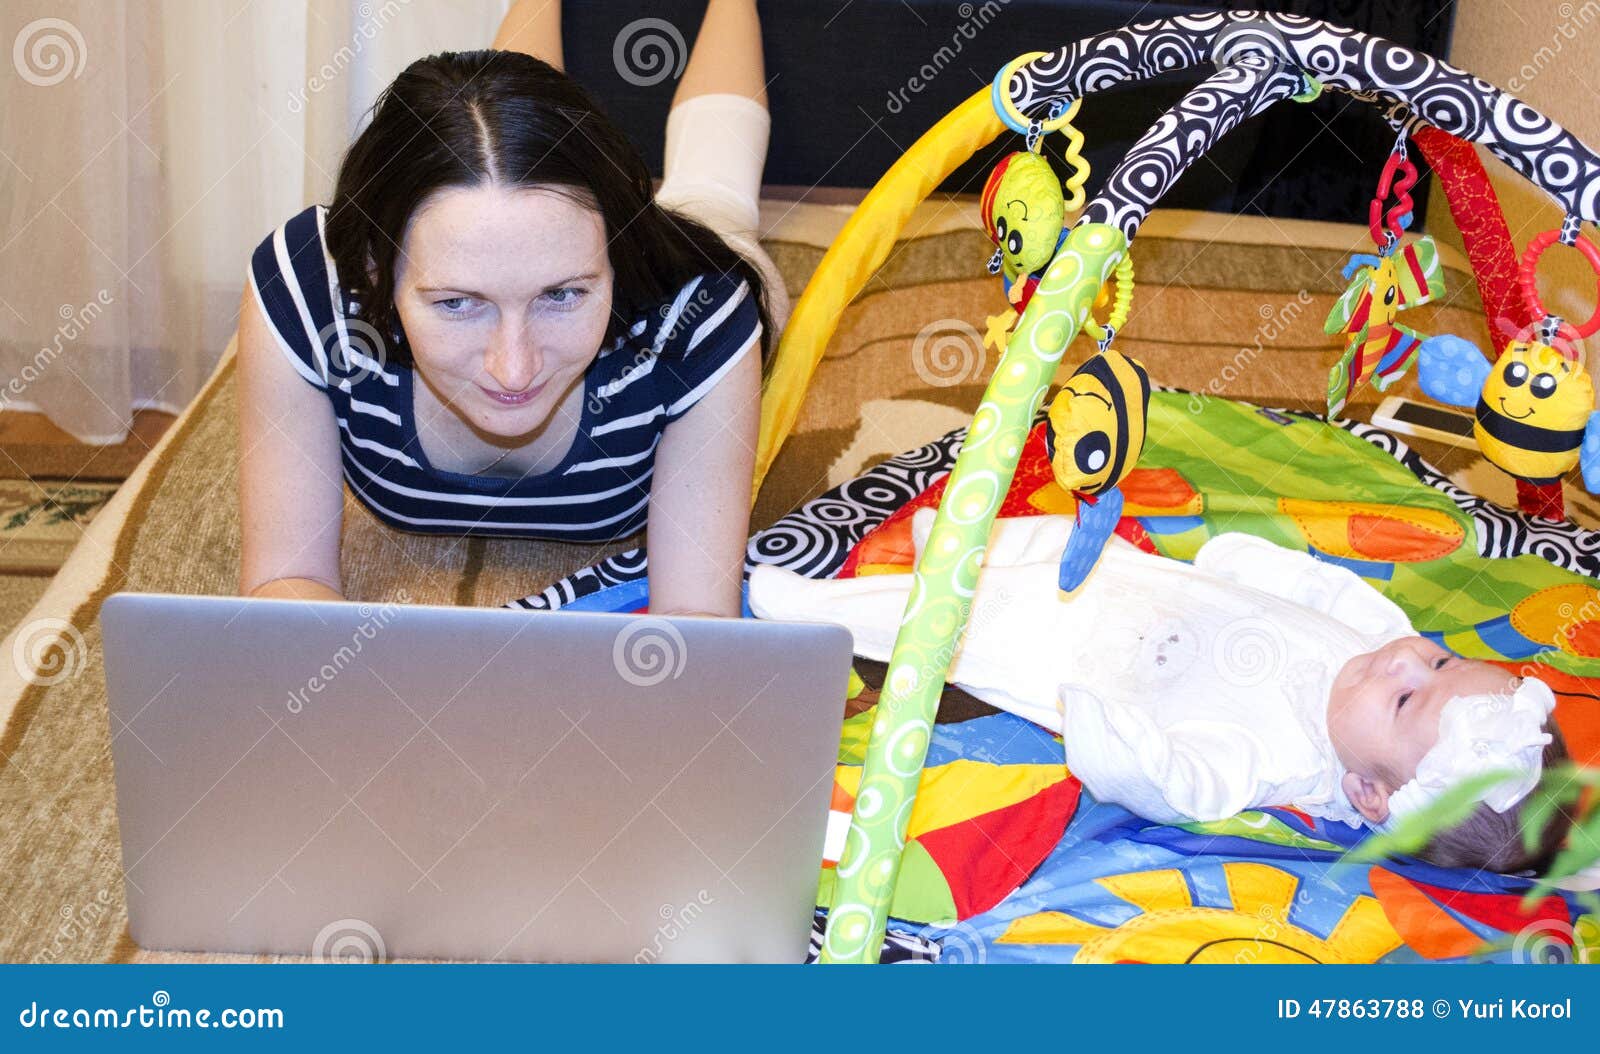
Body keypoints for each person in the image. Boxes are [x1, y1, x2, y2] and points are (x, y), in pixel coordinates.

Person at [238, 0, 787, 616]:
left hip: (673, 267)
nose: (514, 369)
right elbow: (280, 586)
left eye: (562, 294)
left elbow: (696, 620)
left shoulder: (699, 313)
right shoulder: (312, 292)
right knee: (507, 125)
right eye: (457, 303)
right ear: (374, 269)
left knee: (712, 193)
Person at [748, 512, 1574, 874]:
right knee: (1047, 545)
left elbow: (1180, 782)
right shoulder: (1375, 640)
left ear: (1367, 791)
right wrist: (1241, 563)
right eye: (1437, 661)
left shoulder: (1280, 759)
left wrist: (1106, 728)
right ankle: (954, 537)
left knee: (957, 626)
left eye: (1407, 702)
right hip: (1128, 581)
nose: (1403, 665)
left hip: (1066, 651)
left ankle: (813, 615)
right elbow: (1327, 590)